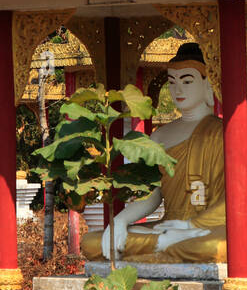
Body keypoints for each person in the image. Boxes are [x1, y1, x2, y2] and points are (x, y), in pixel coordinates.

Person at [81, 41, 227, 263]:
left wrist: (189, 226)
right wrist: (120, 221)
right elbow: (152, 196)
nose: (178, 89)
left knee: (213, 247)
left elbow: (231, 203)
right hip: (167, 227)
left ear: (209, 85)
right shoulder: (160, 136)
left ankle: (161, 249)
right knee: (92, 242)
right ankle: (162, 248)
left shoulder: (222, 133)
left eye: (187, 81)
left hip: (205, 228)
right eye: (172, 81)